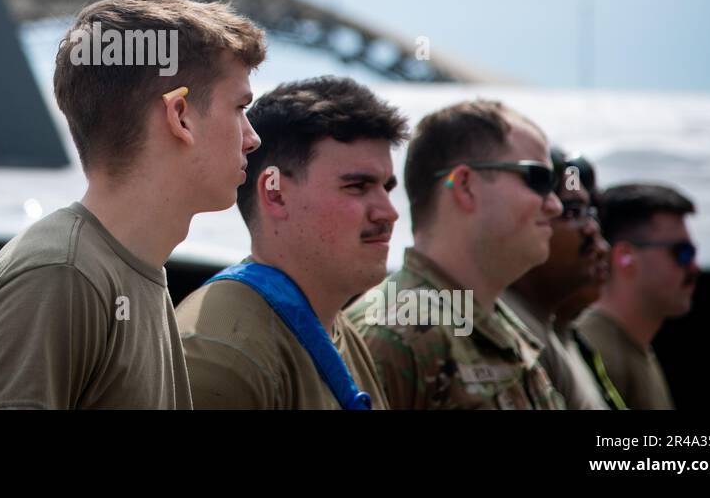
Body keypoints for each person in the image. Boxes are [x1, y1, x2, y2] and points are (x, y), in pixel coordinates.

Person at [0, 0, 266, 409]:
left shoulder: (124, 273)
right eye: (239, 108)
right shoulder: (62, 273)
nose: (253, 137)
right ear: (180, 115)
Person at [176, 77, 407, 409]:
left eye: (386, 187)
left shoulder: (336, 329)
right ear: (275, 194)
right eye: (358, 186)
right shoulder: (222, 356)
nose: (388, 212)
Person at [347, 99, 563, 409]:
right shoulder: (392, 337)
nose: (554, 204)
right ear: (464, 185)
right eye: (537, 179)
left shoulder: (503, 327)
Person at [503, 149, 612, 409]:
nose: (592, 231)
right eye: (573, 212)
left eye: (591, 213)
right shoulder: (512, 335)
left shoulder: (554, 331)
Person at [575, 183, 699, 409]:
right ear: (625, 257)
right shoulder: (595, 353)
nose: (694, 267)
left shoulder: (632, 347)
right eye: (682, 253)